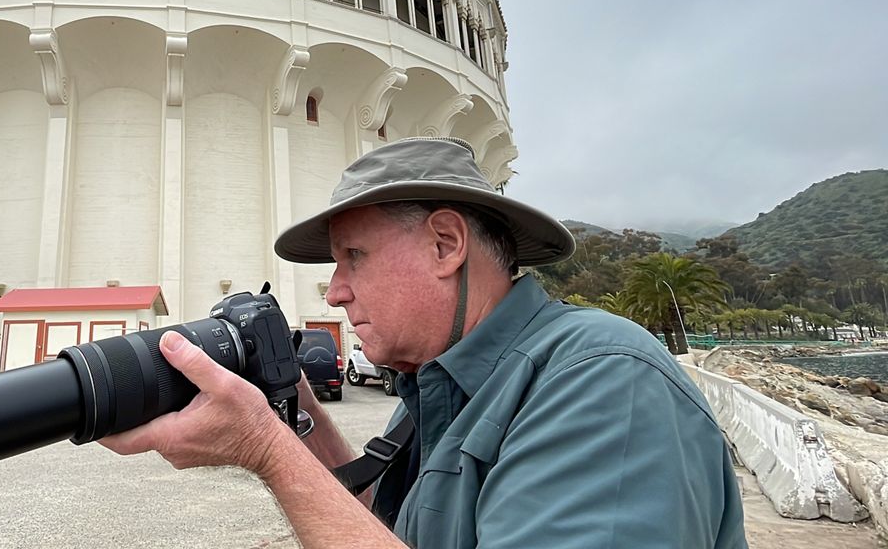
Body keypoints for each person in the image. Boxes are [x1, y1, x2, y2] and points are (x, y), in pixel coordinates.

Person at [102, 137, 747, 548]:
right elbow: (378, 531)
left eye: (353, 256)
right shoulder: (441, 390)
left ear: (446, 245)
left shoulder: (604, 380)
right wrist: (291, 412)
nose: (334, 292)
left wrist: (263, 449)